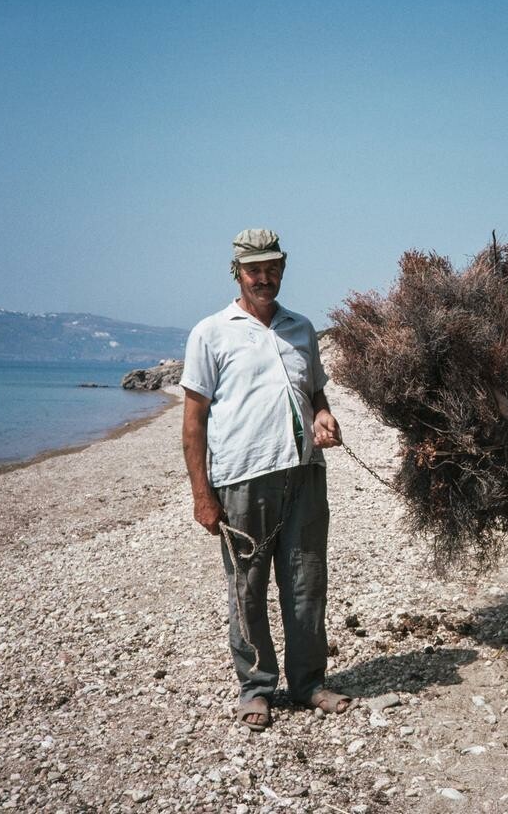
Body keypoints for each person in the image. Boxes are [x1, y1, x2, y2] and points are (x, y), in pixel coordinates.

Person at [180, 228, 351, 732]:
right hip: (241, 480)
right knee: (247, 590)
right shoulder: (210, 332)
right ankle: (256, 689)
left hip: (304, 474)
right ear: (236, 272)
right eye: (254, 269)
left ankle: (309, 684)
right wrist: (201, 495)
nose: (264, 277)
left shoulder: (301, 328)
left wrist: (324, 415)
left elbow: (316, 394)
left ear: (283, 268)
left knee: (306, 584)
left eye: (272, 267)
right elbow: (193, 422)